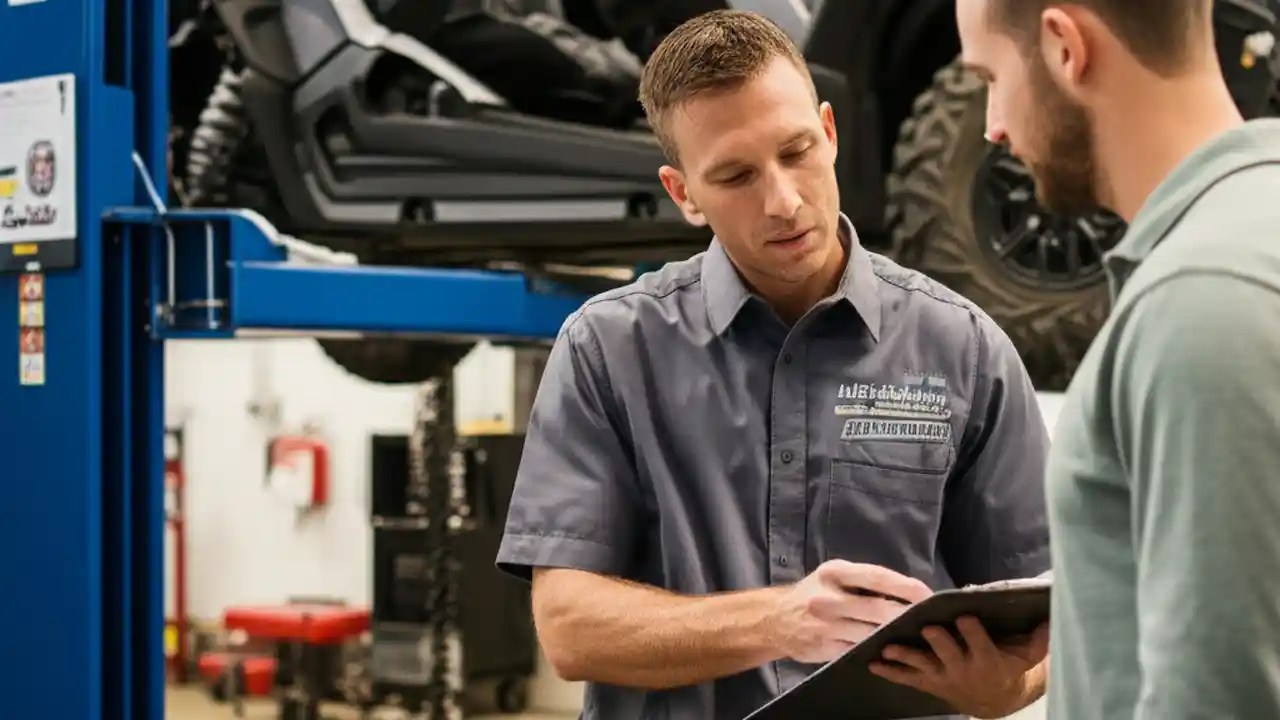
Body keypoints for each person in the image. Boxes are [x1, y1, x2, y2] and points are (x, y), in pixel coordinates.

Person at [496, 9, 1052, 719]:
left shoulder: (963, 350)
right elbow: (570, 630)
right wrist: (779, 622)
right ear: (683, 192)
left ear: (829, 130)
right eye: (735, 175)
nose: (783, 202)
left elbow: (1046, 618)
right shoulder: (607, 351)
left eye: (796, 152)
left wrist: (1008, 687)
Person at [955, 0, 1280, 717]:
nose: (992, 125)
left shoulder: (1199, 303)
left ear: (1064, 45)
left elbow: (1219, 698)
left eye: (992, 77)